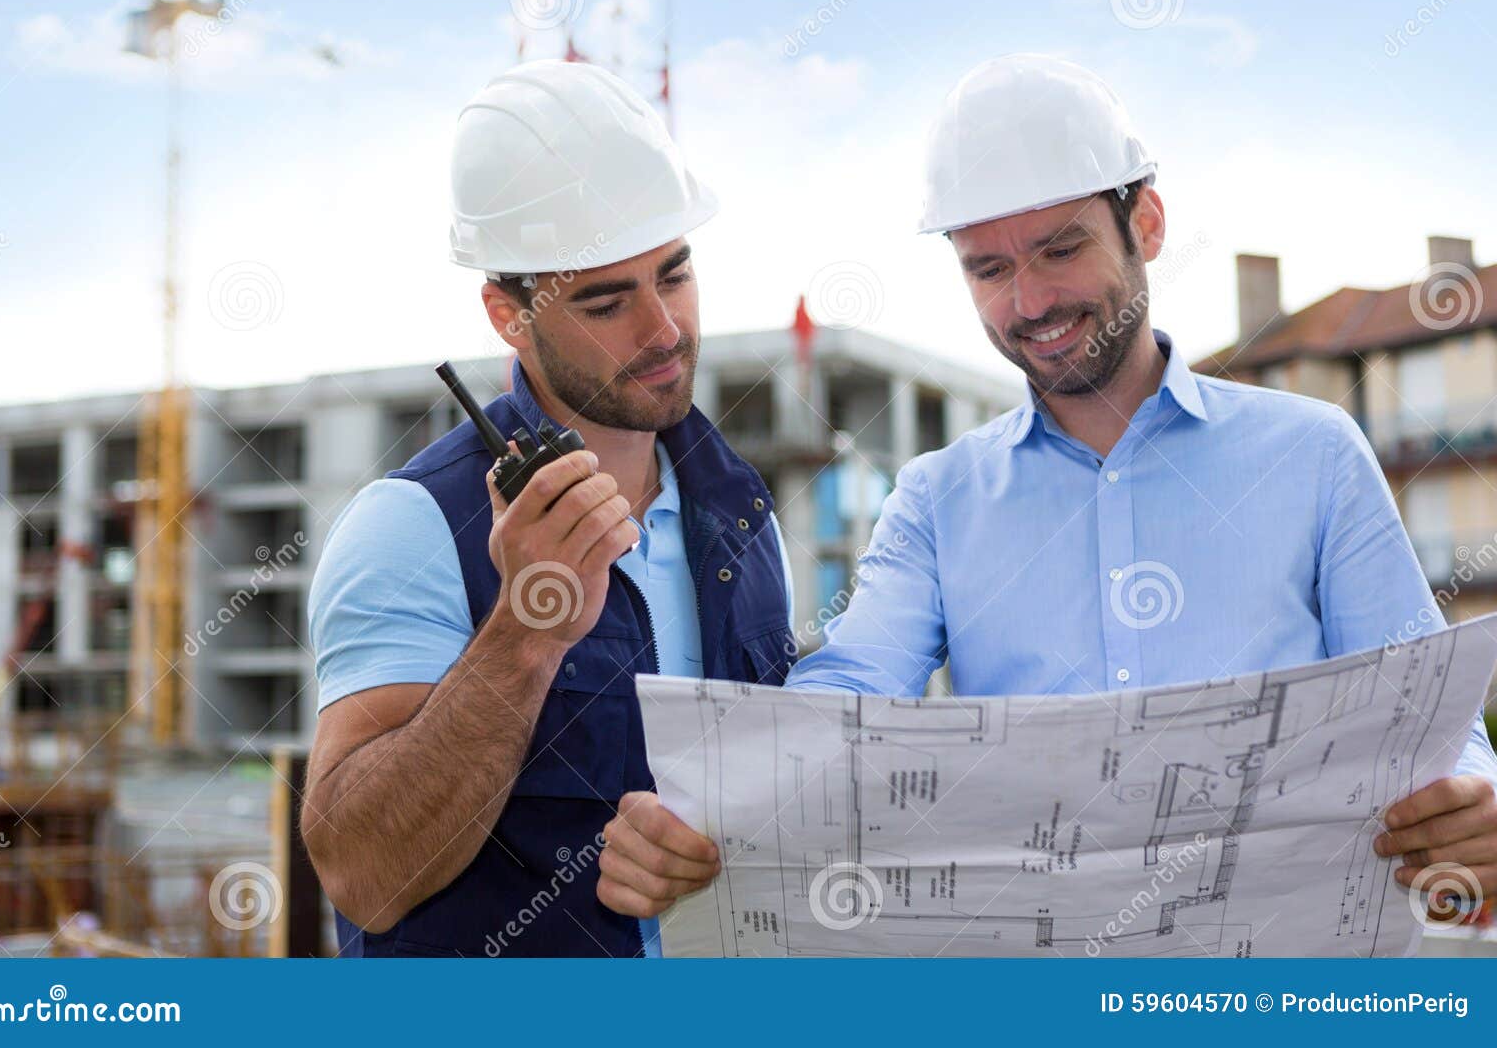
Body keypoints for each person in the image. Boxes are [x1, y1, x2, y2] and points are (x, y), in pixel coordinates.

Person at [595, 53, 1497, 929]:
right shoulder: (936, 500)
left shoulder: (1313, 455)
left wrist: (1475, 801)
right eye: (988, 269)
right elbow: (844, 698)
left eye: (1060, 249)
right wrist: (704, 810)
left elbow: (1429, 713)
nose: (1029, 301)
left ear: (1145, 223)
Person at [302, 59, 794, 956]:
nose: (664, 329)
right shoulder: (412, 525)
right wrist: (526, 628)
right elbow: (364, 874)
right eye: (607, 301)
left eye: (674, 276)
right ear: (507, 314)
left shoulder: (744, 516)